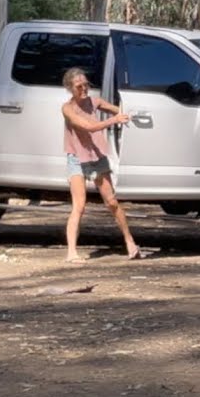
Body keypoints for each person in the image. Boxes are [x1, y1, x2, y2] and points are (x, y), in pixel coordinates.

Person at [60, 67, 146, 262]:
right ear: (70, 88)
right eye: (78, 86)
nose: (83, 89)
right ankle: (71, 252)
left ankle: (130, 243)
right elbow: (88, 126)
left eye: (86, 85)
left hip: (97, 157)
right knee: (79, 206)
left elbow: (120, 111)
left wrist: (130, 114)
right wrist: (114, 120)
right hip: (77, 159)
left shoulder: (94, 102)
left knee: (112, 202)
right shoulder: (67, 108)